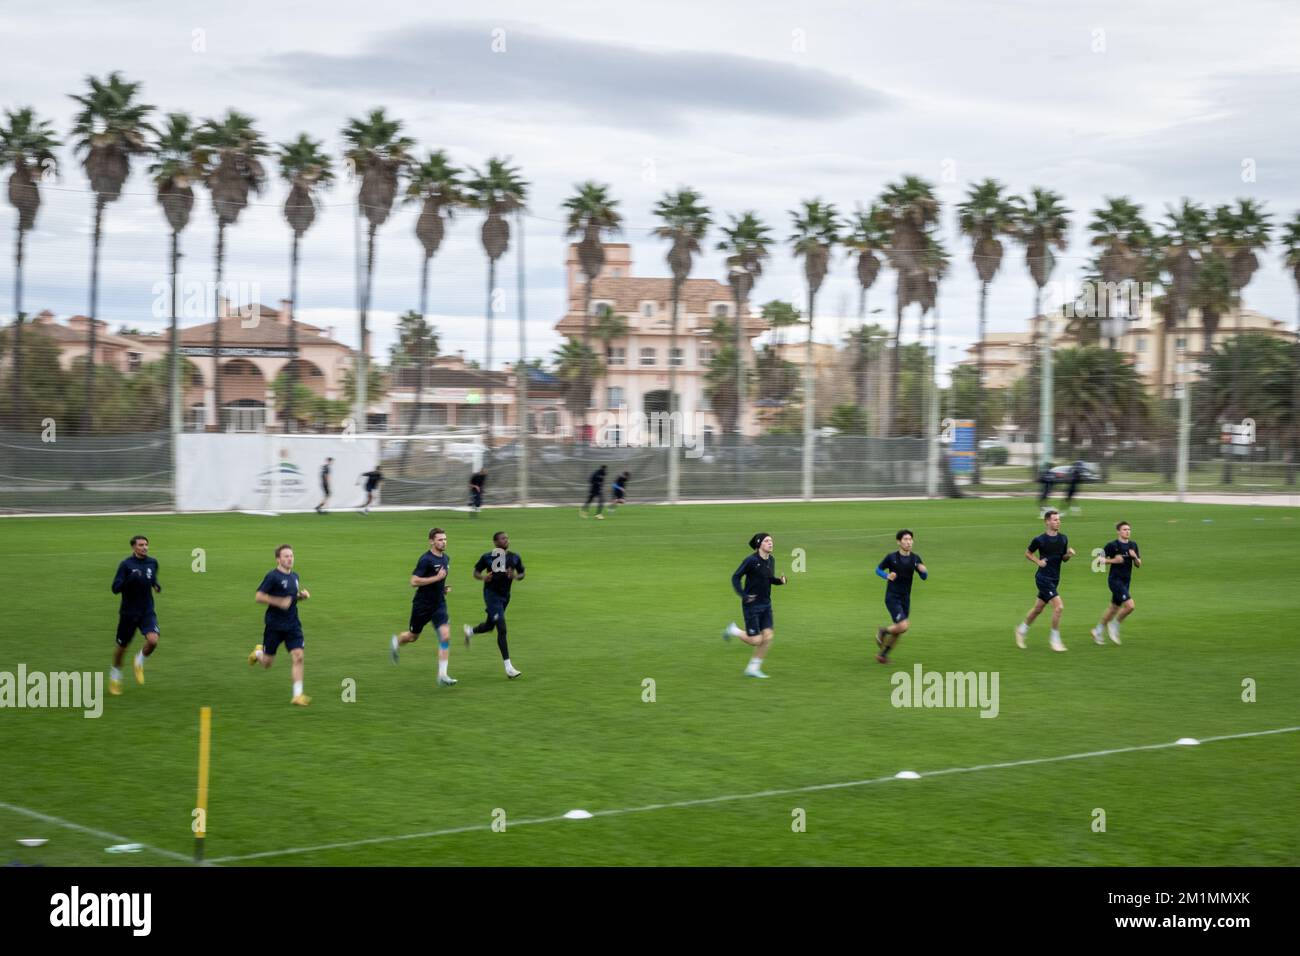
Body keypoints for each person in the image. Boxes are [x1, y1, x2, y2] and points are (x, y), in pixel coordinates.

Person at [391, 528, 457, 685]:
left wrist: (443, 588)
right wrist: (436, 578)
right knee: (413, 637)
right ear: (431, 541)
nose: (443, 542)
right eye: (440, 539)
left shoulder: (446, 558)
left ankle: (442, 675)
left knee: (445, 636)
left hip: (439, 604)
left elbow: (438, 580)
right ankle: (396, 641)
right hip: (422, 605)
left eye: (445, 539)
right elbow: (413, 581)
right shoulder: (425, 559)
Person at [248, 544, 312, 706]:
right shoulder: (272, 576)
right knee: (267, 663)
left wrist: (301, 597)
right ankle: (258, 653)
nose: (290, 558)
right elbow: (259, 596)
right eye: (286, 556)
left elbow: (290, 598)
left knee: (299, 656)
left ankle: (297, 695)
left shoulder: (295, 576)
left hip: (292, 625)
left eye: (291, 555)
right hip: (274, 626)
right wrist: (278, 601)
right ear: (278, 559)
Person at [723, 532, 786, 679]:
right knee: (756, 640)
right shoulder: (751, 561)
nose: (771, 543)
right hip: (751, 605)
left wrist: (779, 581)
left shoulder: (771, 560)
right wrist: (744, 595)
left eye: (771, 541)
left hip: (766, 604)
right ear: (759, 544)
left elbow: (768, 578)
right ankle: (733, 630)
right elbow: (736, 577)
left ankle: (753, 668)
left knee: (768, 637)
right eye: (767, 541)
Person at [464, 531, 525, 678]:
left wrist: (515, 576)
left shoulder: (514, 557)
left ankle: (470, 631)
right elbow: (476, 572)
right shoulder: (487, 557)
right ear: (495, 543)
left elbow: (522, 573)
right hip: (491, 596)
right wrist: (484, 577)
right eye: (503, 538)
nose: (506, 540)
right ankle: (509, 668)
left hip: (505, 597)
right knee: (502, 628)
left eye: (507, 538)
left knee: (490, 626)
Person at [1015, 509, 1075, 652]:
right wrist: (1038, 561)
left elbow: (1063, 559)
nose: (1058, 522)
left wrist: (1068, 554)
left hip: (1055, 579)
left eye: (1058, 519)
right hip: (1043, 578)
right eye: (1055, 520)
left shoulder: (1063, 538)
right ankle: (1055, 640)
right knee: (1059, 607)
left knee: (1038, 609)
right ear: (1047, 521)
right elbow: (1028, 553)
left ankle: (1021, 630)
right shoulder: (1039, 540)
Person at [109, 535, 162, 696]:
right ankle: (115, 675)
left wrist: (156, 585)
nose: (144, 547)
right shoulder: (125, 565)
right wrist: (130, 579)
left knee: (153, 641)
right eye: (141, 545)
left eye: (146, 545)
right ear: (134, 547)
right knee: (122, 648)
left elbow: (151, 578)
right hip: (129, 613)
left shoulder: (153, 562)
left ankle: (139, 660)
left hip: (147, 610)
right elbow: (115, 588)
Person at [873, 529, 928, 664]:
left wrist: (923, 571)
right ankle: (883, 631)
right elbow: (877, 569)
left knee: (898, 630)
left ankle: (883, 656)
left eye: (910, 539)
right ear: (899, 542)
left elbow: (924, 577)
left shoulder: (915, 558)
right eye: (905, 539)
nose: (909, 542)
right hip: (892, 597)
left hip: (905, 599)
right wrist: (887, 576)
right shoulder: (891, 557)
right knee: (903, 626)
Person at [1091, 520, 1142, 646]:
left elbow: (1138, 565)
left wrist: (1135, 557)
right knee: (1130, 606)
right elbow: (1097, 561)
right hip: (1115, 580)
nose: (1127, 531)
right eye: (1125, 529)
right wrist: (1114, 560)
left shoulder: (1133, 545)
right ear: (1118, 531)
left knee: (1113, 608)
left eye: (1129, 529)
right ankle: (1114, 625)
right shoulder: (1112, 545)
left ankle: (1097, 631)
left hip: (1126, 581)